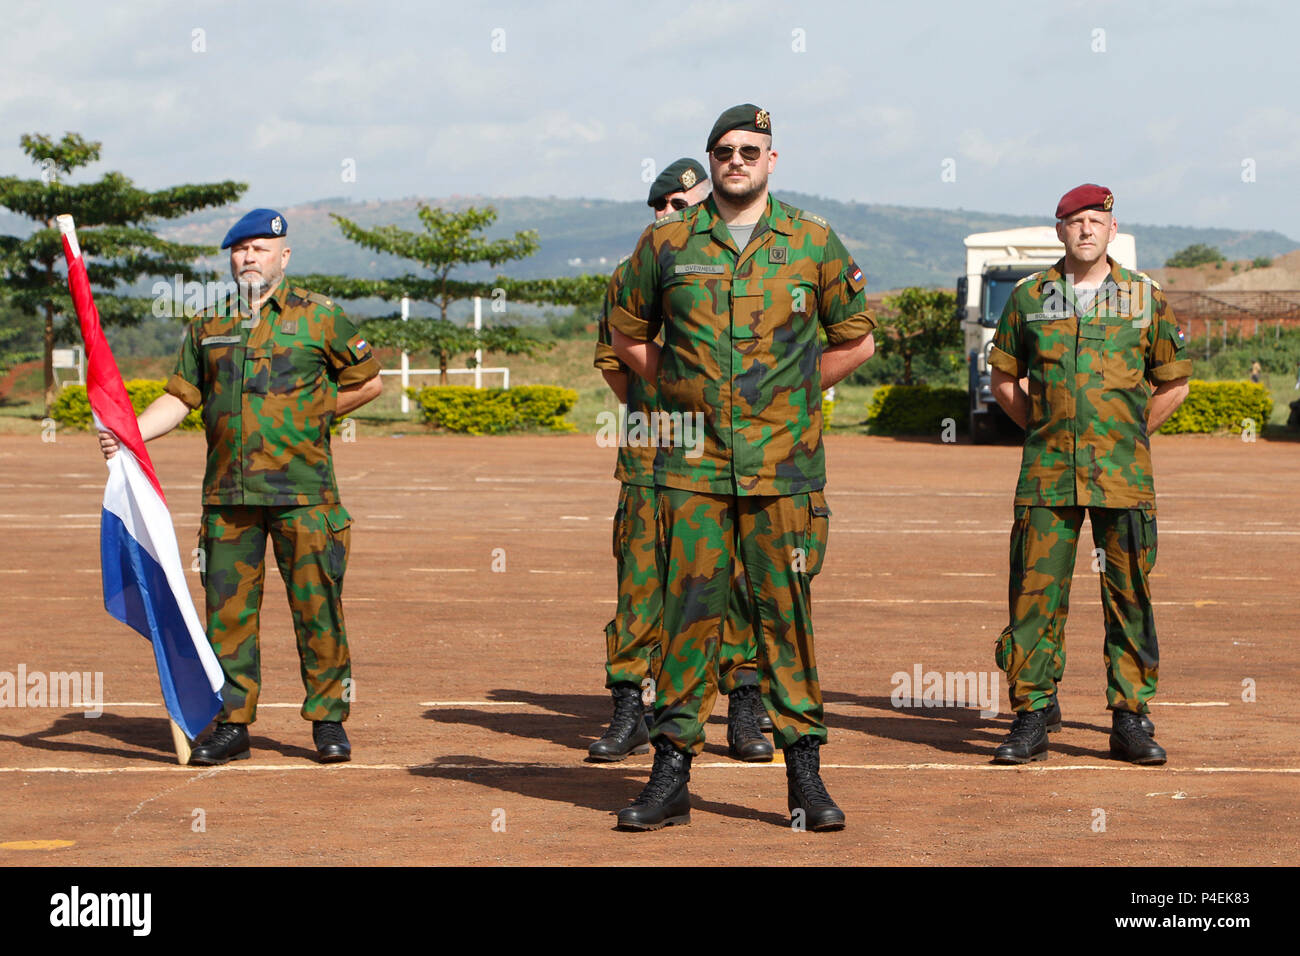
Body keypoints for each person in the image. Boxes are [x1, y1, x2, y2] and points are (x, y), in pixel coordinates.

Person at [610, 105, 876, 830]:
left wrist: (793, 392)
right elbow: (627, 329)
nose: (737, 159)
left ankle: (805, 781)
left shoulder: (812, 242)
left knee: (784, 619)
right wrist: (675, 391)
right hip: (691, 469)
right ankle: (670, 777)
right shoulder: (667, 241)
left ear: (772, 158)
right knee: (688, 618)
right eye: (724, 150)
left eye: (750, 149)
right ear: (711, 159)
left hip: (782, 469)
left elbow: (856, 339)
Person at [98, 208, 383, 765]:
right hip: (228, 498)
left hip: (306, 495)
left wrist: (314, 413)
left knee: (318, 607)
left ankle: (328, 721)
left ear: (284, 256)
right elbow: (180, 399)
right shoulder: (208, 324)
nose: (249, 257)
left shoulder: (321, 318)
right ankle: (231, 723)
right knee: (227, 613)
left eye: (259, 248)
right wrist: (130, 434)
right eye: (239, 249)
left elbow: (367, 381)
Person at [987, 184, 1190, 766]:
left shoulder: (1144, 297)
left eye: (1095, 221)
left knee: (1129, 594)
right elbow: (1005, 379)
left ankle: (1130, 718)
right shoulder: (1030, 298)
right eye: (1074, 221)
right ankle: (1030, 716)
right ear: (1060, 232)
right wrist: (1042, 428)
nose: (1085, 230)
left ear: (1111, 228)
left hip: (1123, 477)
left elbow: (1172, 381)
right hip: (1047, 475)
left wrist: (1130, 433)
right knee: (1034, 595)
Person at [589, 159, 774, 764]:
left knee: (738, 584)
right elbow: (619, 367)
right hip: (652, 455)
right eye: (660, 207)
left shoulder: (748, 273)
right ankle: (628, 708)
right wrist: (671, 408)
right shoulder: (632, 273)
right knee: (640, 584)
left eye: (679, 203)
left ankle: (744, 706)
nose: (668, 214)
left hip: (731, 458)